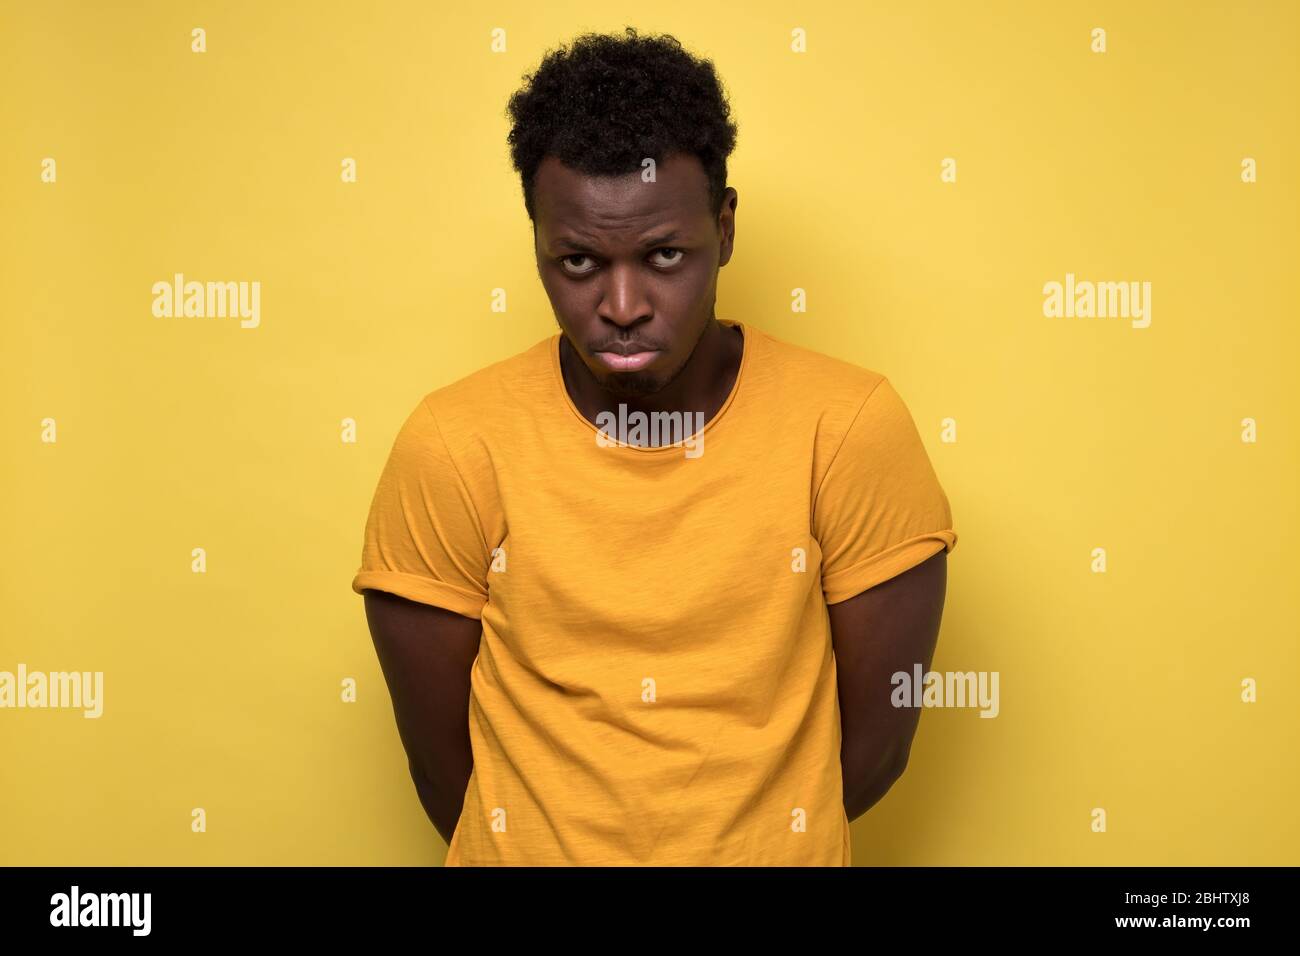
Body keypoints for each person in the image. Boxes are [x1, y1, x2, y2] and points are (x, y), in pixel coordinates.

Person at [352, 26, 956, 866]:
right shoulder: (455, 443)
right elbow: (441, 768)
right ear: (537, 241)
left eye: (665, 254)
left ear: (726, 228)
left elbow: (876, 750)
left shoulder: (847, 426)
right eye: (578, 262)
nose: (624, 304)